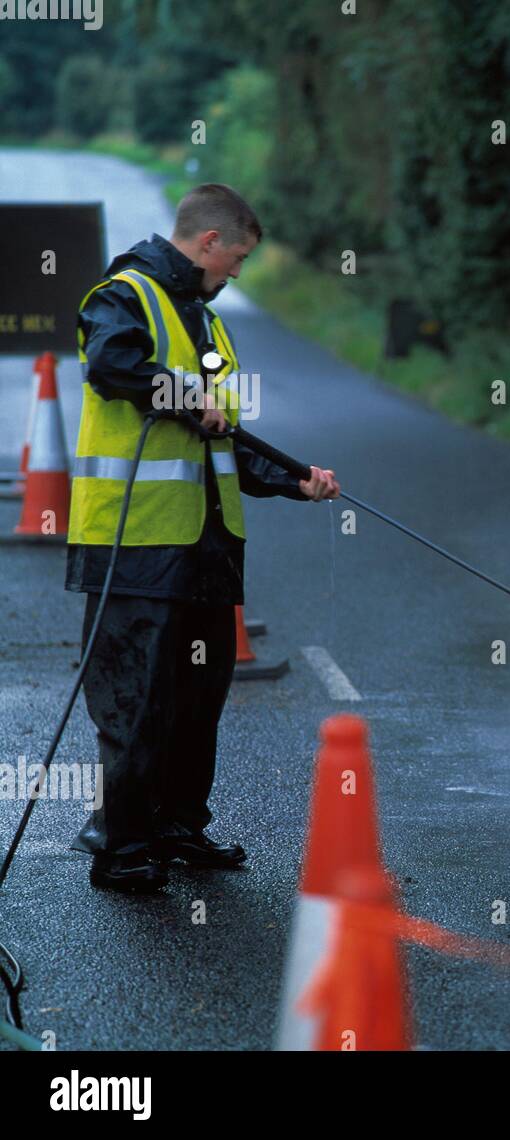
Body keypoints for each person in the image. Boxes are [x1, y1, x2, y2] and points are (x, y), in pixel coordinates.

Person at [65, 183, 340, 894]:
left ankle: (179, 827)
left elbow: (226, 440)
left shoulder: (209, 325)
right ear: (209, 242)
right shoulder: (123, 296)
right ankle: (123, 847)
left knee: (197, 698)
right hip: (136, 547)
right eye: (239, 257)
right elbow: (112, 366)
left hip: (207, 550)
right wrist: (187, 400)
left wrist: (293, 479)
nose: (239, 273)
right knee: (135, 699)